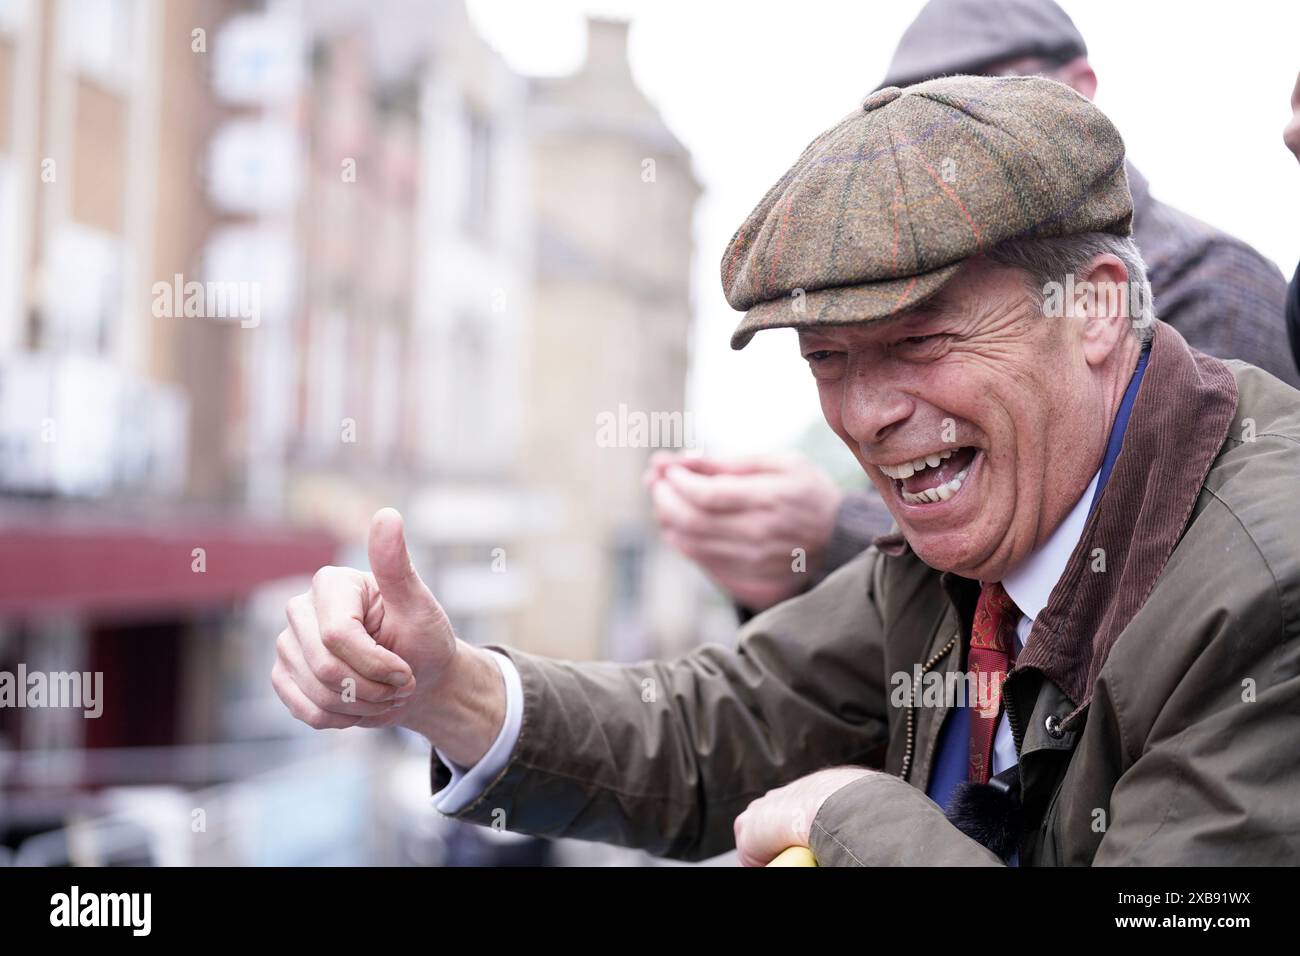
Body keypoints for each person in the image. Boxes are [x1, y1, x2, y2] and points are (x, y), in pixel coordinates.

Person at [272, 75, 1300, 865]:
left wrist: (853, 819)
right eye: (825, 358)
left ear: (1093, 307)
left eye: (919, 340)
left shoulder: (1271, 581)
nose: (865, 412)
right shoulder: (973, 540)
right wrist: (440, 685)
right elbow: (701, 724)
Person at [648, 0, 1298, 617]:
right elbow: (767, 696)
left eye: (923, 340)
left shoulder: (1215, 285)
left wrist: (834, 532)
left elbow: (1153, 570)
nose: (930, 149)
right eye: (825, 355)